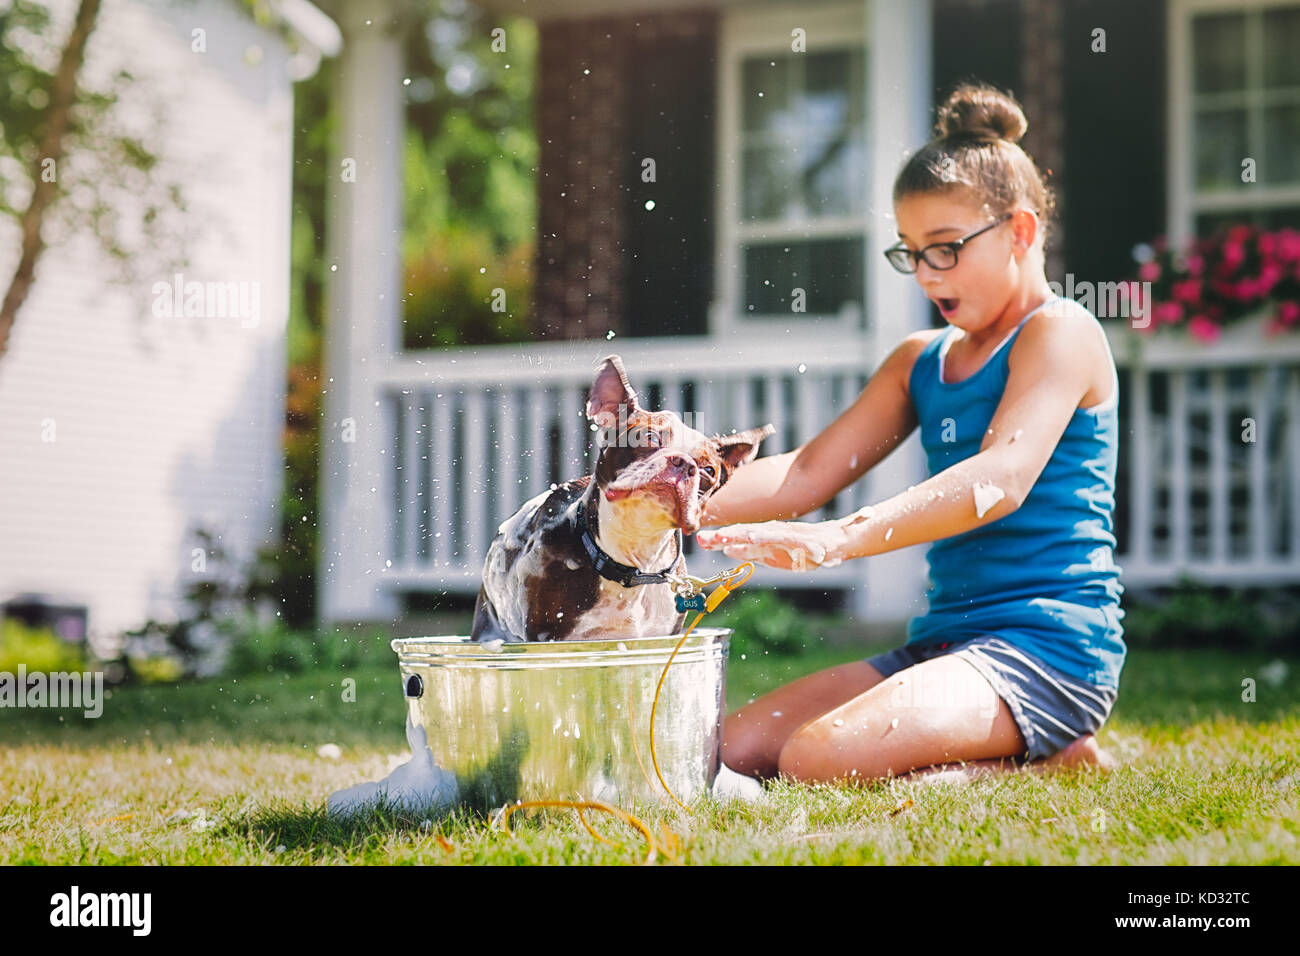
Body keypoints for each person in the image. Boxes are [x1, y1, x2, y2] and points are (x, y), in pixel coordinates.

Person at [695, 82, 1125, 786]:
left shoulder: (1061, 333)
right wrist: (655, 501)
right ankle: (1025, 748)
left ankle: (1044, 759)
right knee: (727, 750)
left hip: (1048, 649)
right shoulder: (919, 362)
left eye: (946, 248)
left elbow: (1001, 478)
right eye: (912, 253)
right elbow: (806, 474)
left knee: (814, 758)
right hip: (942, 648)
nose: (926, 274)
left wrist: (843, 537)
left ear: (1019, 232)